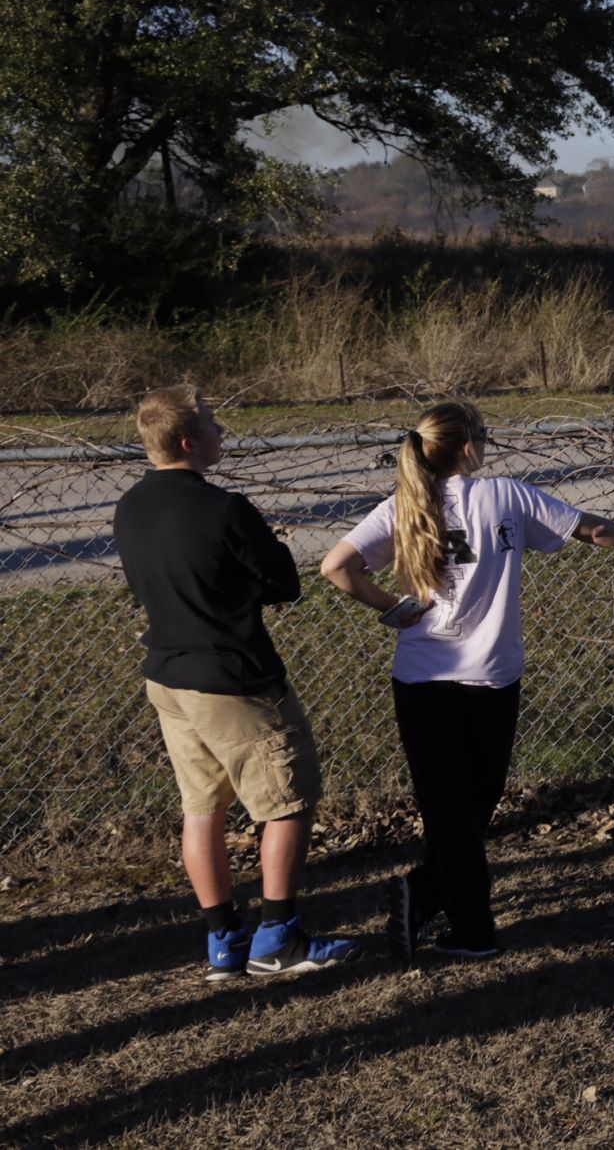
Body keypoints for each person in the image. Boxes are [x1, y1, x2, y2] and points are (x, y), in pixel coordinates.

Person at [319, 401, 614, 960]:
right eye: (483, 436)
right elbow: (592, 528)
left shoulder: (404, 506)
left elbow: (337, 567)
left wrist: (394, 608)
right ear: (469, 446)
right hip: (489, 680)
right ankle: (472, 930)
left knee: (459, 808)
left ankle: (425, 892)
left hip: (424, 680)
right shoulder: (506, 496)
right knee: (463, 808)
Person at [112, 385, 362, 979]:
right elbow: (283, 582)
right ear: (187, 442)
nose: (223, 434)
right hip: (234, 680)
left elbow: (163, 582)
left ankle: (223, 941)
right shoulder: (226, 509)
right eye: (214, 427)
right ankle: (279, 936)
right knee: (287, 802)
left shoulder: (129, 506)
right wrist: (259, 560)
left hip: (169, 677)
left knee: (202, 807)